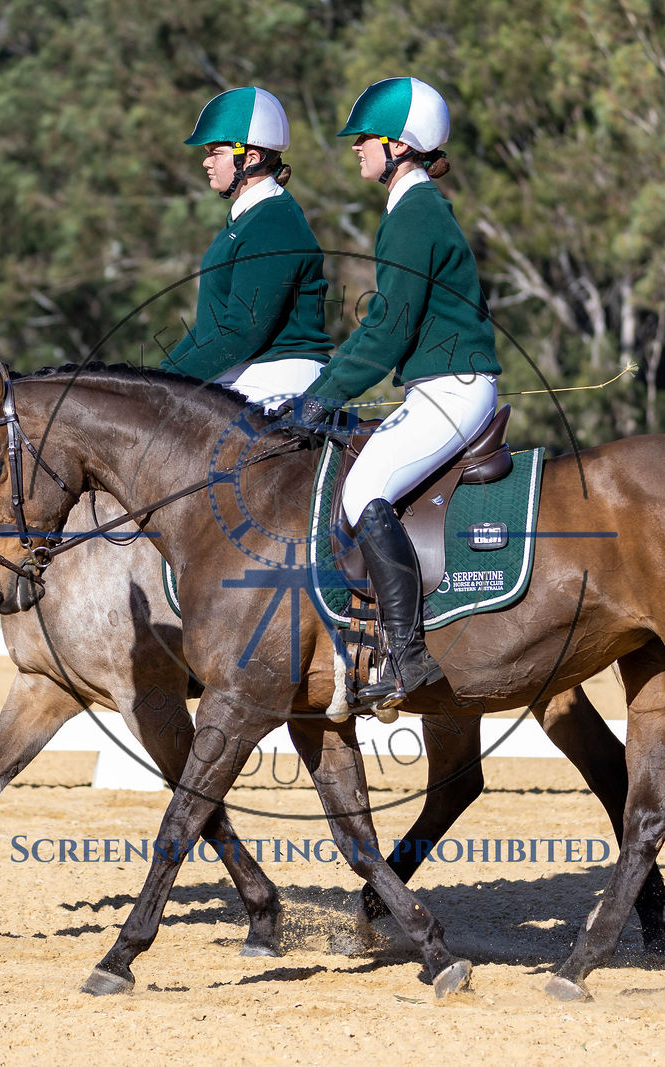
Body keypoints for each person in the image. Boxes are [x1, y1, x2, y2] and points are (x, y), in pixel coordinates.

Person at [288, 76, 502, 707]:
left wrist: (321, 397)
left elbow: (389, 328)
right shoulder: (414, 208)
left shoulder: (413, 214)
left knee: (362, 490)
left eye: (366, 140)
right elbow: (384, 324)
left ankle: (407, 656)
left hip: (452, 390)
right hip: (438, 387)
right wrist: (327, 386)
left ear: (400, 146)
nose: (356, 149)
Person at [159, 86, 330, 408]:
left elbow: (245, 330)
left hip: (277, 376)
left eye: (215, 152)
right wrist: (159, 376)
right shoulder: (246, 220)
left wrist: (168, 384)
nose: (206, 162)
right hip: (243, 372)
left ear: (250, 158)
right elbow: (211, 325)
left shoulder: (274, 223)